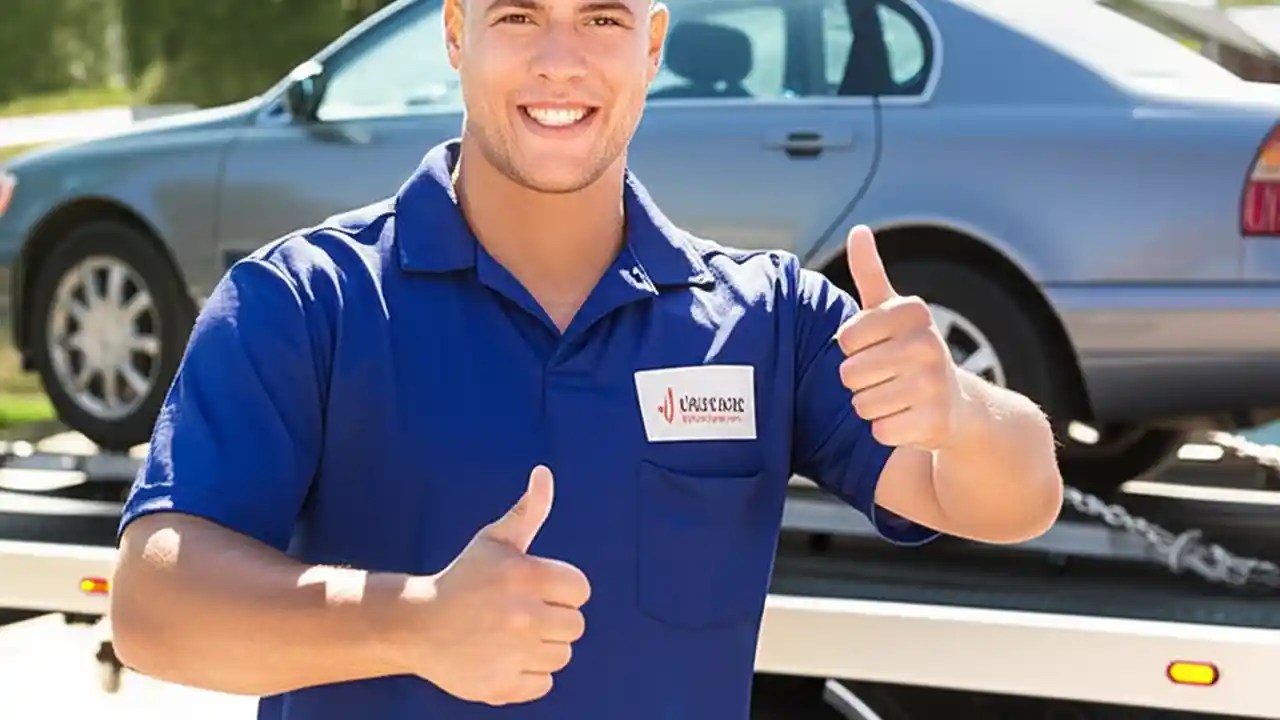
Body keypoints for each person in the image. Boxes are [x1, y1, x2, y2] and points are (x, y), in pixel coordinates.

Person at [108, 0, 1063, 717]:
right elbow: (153, 606)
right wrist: (415, 621)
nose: (559, 60)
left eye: (601, 17)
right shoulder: (306, 301)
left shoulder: (765, 320)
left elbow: (1015, 500)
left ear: (651, 44)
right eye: (519, 14)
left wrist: (964, 415)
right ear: (455, 34)